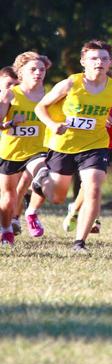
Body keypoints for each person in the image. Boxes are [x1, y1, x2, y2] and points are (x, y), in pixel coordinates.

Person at [34, 39, 112, 253]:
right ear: (83, 62)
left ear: (110, 62)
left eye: (103, 58)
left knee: (93, 187)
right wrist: (52, 124)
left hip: (95, 145)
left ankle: (79, 242)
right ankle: (41, 178)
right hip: (63, 144)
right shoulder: (70, 84)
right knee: (57, 197)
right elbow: (41, 107)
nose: (98, 62)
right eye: (93, 58)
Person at [0, 52, 50, 246]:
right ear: (20, 72)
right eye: (33, 69)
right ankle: (6, 230)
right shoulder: (10, 94)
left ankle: (32, 212)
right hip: (10, 151)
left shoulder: (49, 96)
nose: (38, 73)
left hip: (38, 149)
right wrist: (12, 122)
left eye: (42, 70)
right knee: (8, 197)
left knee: (43, 171)